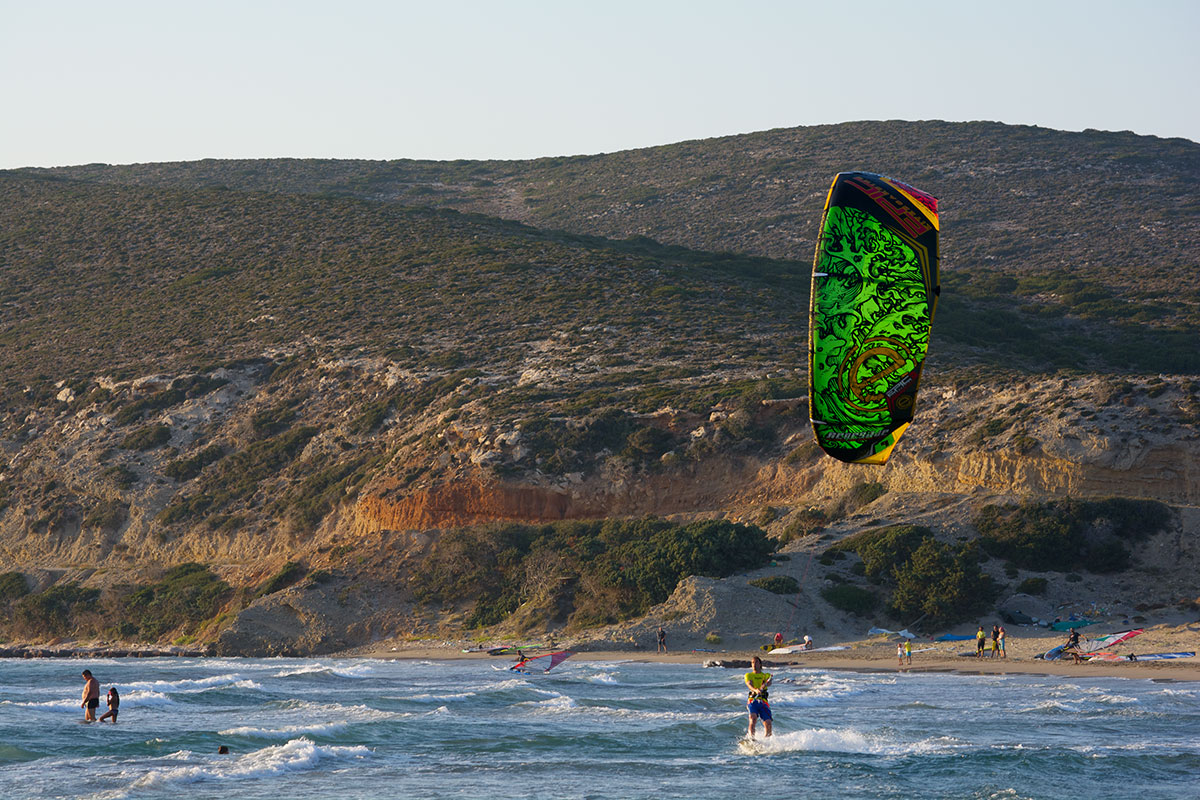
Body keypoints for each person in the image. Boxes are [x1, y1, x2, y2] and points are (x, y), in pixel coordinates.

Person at [744, 656, 773, 738]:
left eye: (756, 662)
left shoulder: (765, 675)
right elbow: (749, 684)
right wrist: (756, 690)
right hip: (753, 700)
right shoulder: (748, 675)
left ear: (760, 664)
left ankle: (766, 741)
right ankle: (751, 739)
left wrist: (766, 683)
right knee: (753, 718)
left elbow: (769, 682)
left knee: (768, 723)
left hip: (763, 702)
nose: (754, 664)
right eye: (752, 662)